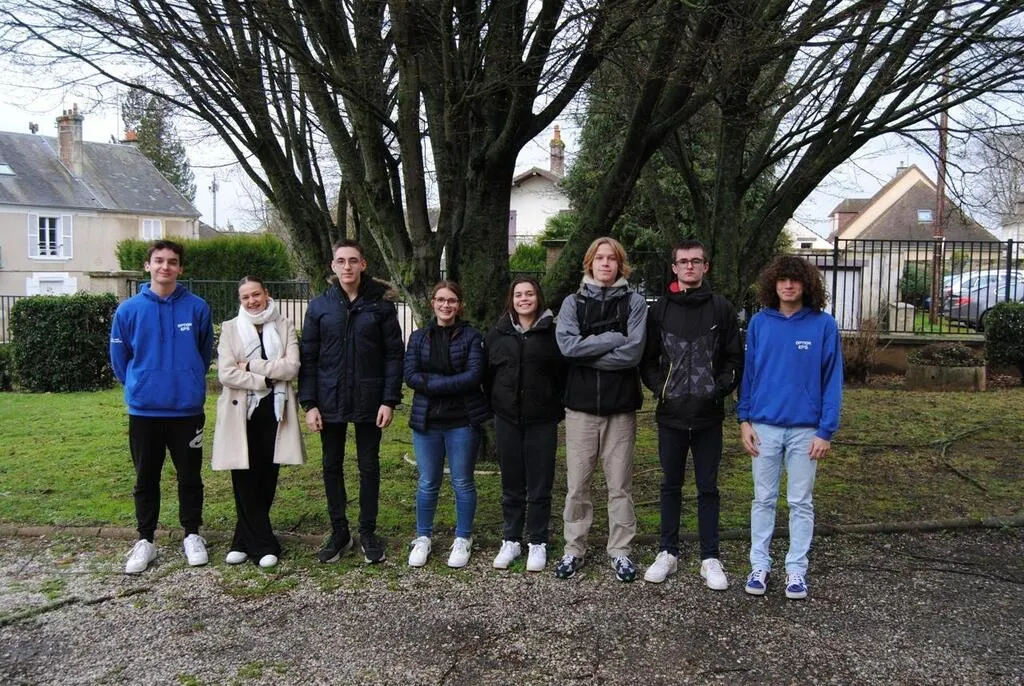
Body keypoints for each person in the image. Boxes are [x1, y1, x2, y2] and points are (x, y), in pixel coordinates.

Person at [737, 255, 843, 600]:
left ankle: (796, 570)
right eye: (782, 279)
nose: (788, 285)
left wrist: (825, 430)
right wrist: (744, 420)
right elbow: (749, 375)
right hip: (764, 427)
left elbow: (832, 380)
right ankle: (760, 565)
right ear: (773, 284)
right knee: (763, 499)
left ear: (806, 284)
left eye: (795, 280)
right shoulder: (759, 323)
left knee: (800, 501)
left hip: (806, 431)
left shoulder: (823, 325)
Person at [640, 240, 743, 589]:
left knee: (707, 488)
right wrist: (661, 388)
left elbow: (733, 359)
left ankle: (710, 557)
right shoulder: (660, 310)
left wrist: (719, 389)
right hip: (670, 414)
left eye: (695, 261)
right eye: (683, 262)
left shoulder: (721, 309)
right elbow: (647, 359)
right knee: (670, 485)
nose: (689, 267)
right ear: (674, 268)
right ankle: (667, 551)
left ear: (705, 267)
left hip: (708, 416)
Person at [109, 239, 214, 574]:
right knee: (145, 478)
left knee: (190, 477)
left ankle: (193, 535)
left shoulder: (197, 307)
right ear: (148, 266)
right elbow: (119, 358)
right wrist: (141, 385)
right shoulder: (128, 310)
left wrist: (187, 381)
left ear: (180, 268)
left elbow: (203, 352)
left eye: (172, 262)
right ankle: (145, 540)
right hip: (145, 411)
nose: (165, 267)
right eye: (159, 261)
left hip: (186, 411)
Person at [299, 239, 404, 564]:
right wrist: (309, 403)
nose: (347, 267)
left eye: (353, 261)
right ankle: (339, 531)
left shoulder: (382, 307)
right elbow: (309, 357)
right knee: (331, 466)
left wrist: (389, 399)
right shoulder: (320, 306)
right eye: (341, 261)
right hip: (329, 399)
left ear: (363, 265)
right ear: (333, 266)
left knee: (369, 466)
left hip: (370, 399)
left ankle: (368, 531)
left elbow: (393, 356)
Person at [554, 236, 647, 582]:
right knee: (577, 484)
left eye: (612, 258)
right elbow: (567, 347)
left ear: (620, 265)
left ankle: (620, 551)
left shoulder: (635, 303)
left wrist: (589, 355)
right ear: (589, 263)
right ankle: (574, 549)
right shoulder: (571, 303)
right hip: (579, 409)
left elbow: (633, 353)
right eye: (599, 258)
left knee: (619, 485)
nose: (605, 264)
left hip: (620, 408)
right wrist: (611, 339)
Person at [211, 277, 304, 569]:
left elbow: (292, 367)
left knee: (267, 475)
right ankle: (264, 543)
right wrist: (265, 378)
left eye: (256, 295)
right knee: (244, 475)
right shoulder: (229, 328)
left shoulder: (284, 325)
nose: (252, 301)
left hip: (274, 410)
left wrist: (250, 366)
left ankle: (242, 539)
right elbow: (226, 374)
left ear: (267, 294)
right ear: (240, 300)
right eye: (245, 297)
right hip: (242, 412)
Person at [403, 281, 491, 569]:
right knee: (428, 482)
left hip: (462, 422)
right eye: (440, 299)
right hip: (427, 422)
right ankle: (423, 537)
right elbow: (411, 375)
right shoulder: (418, 338)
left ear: (459, 305)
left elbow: (474, 376)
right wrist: (441, 384)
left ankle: (463, 538)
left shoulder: (471, 336)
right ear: (432, 303)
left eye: (451, 300)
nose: (445, 305)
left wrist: (433, 384)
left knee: (462, 481)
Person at [484, 277, 566, 572]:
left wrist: (554, 406)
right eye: (518, 294)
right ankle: (511, 539)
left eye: (529, 293)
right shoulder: (497, 334)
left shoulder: (552, 334)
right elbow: (487, 375)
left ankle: (538, 541)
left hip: (542, 419)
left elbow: (563, 376)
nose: (524, 299)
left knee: (540, 483)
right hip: (506, 419)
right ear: (511, 300)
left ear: (538, 297)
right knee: (512, 483)